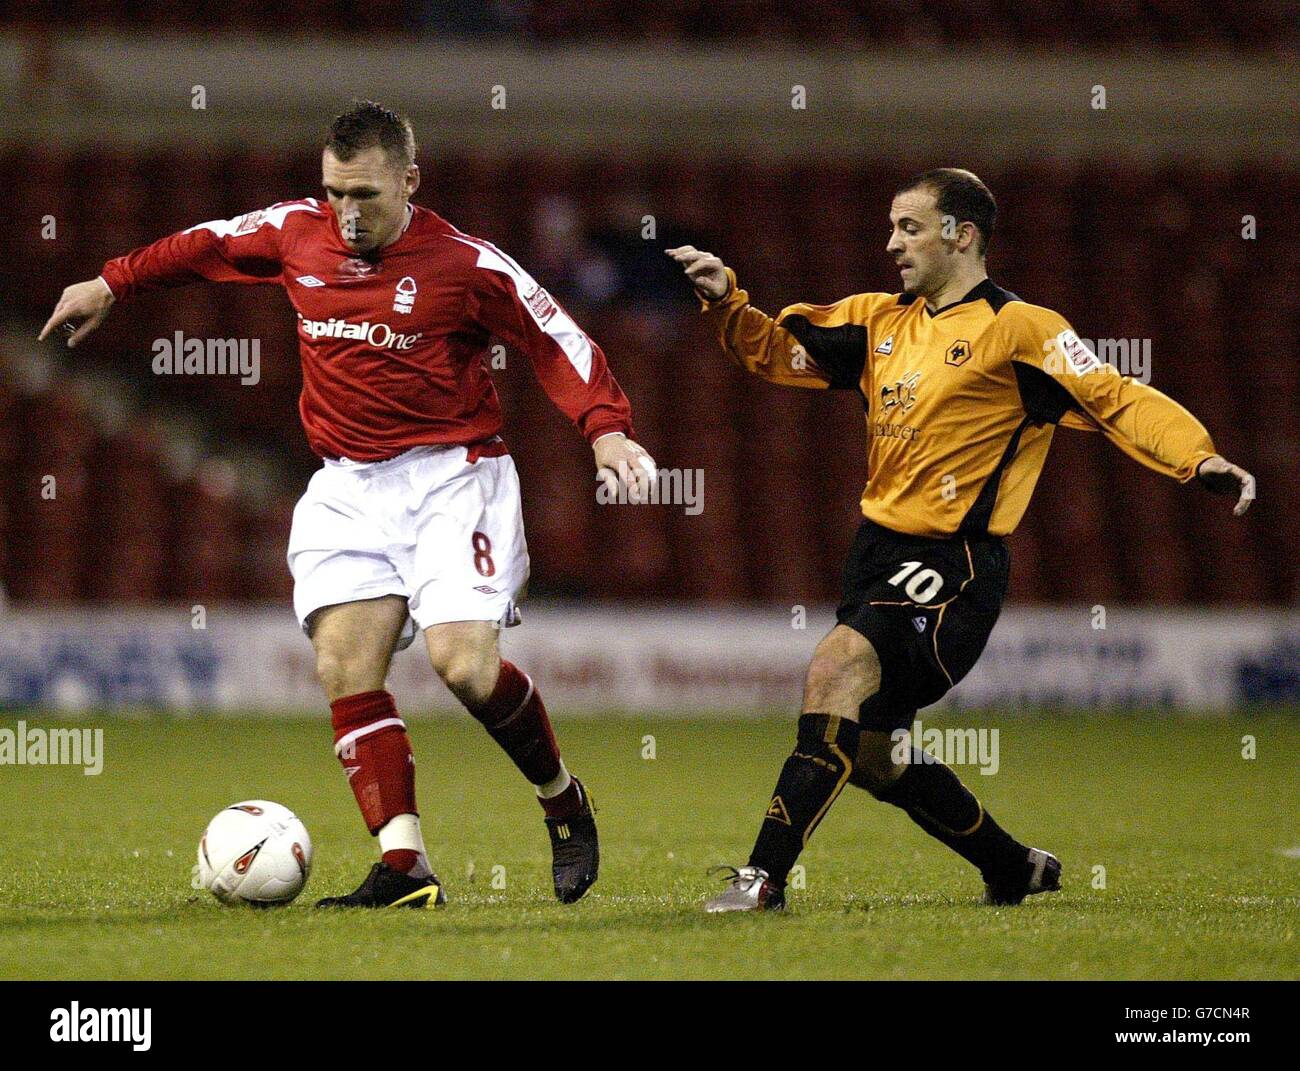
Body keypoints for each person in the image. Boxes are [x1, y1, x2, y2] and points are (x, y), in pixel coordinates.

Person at [42, 100, 656, 909]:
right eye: (334, 192)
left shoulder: (466, 264)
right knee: (344, 666)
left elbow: (555, 336)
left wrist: (607, 430)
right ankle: (405, 867)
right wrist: (110, 281)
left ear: (409, 180)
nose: (347, 213)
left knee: (464, 668)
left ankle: (562, 800)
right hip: (347, 485)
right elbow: (209, 243)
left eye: (365, 194)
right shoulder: (298, 232)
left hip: (452, 475)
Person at [668, 167, 1255, 912]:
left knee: (836, 668)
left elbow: (1114, 396)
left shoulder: (1023, 330)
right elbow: (778, 351)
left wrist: (1194, 455)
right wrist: (726, 299)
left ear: (962, 234)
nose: (891, 244)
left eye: (908, 228)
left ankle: (760, 880)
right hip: (875, 551)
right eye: (890, 228)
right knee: (877, 755)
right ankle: (1010, 865)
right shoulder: (881, 320)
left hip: (955, 565)